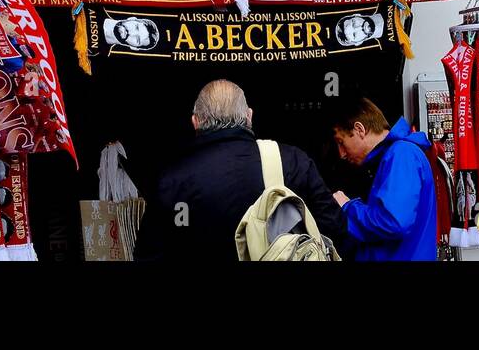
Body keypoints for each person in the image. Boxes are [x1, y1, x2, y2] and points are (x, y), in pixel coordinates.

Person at [136, 80, 345, 261]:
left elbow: (150, 254)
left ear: (195, 122)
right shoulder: (293, 161)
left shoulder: (173, 180)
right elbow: (333, 229)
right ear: (249, 116)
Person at [331, 97, 437, 261]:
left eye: (341, 142)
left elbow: (393, 222)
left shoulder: (401, 154)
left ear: (360, 129)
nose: (341, 154)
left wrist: (348, 206)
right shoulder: (394, 156)